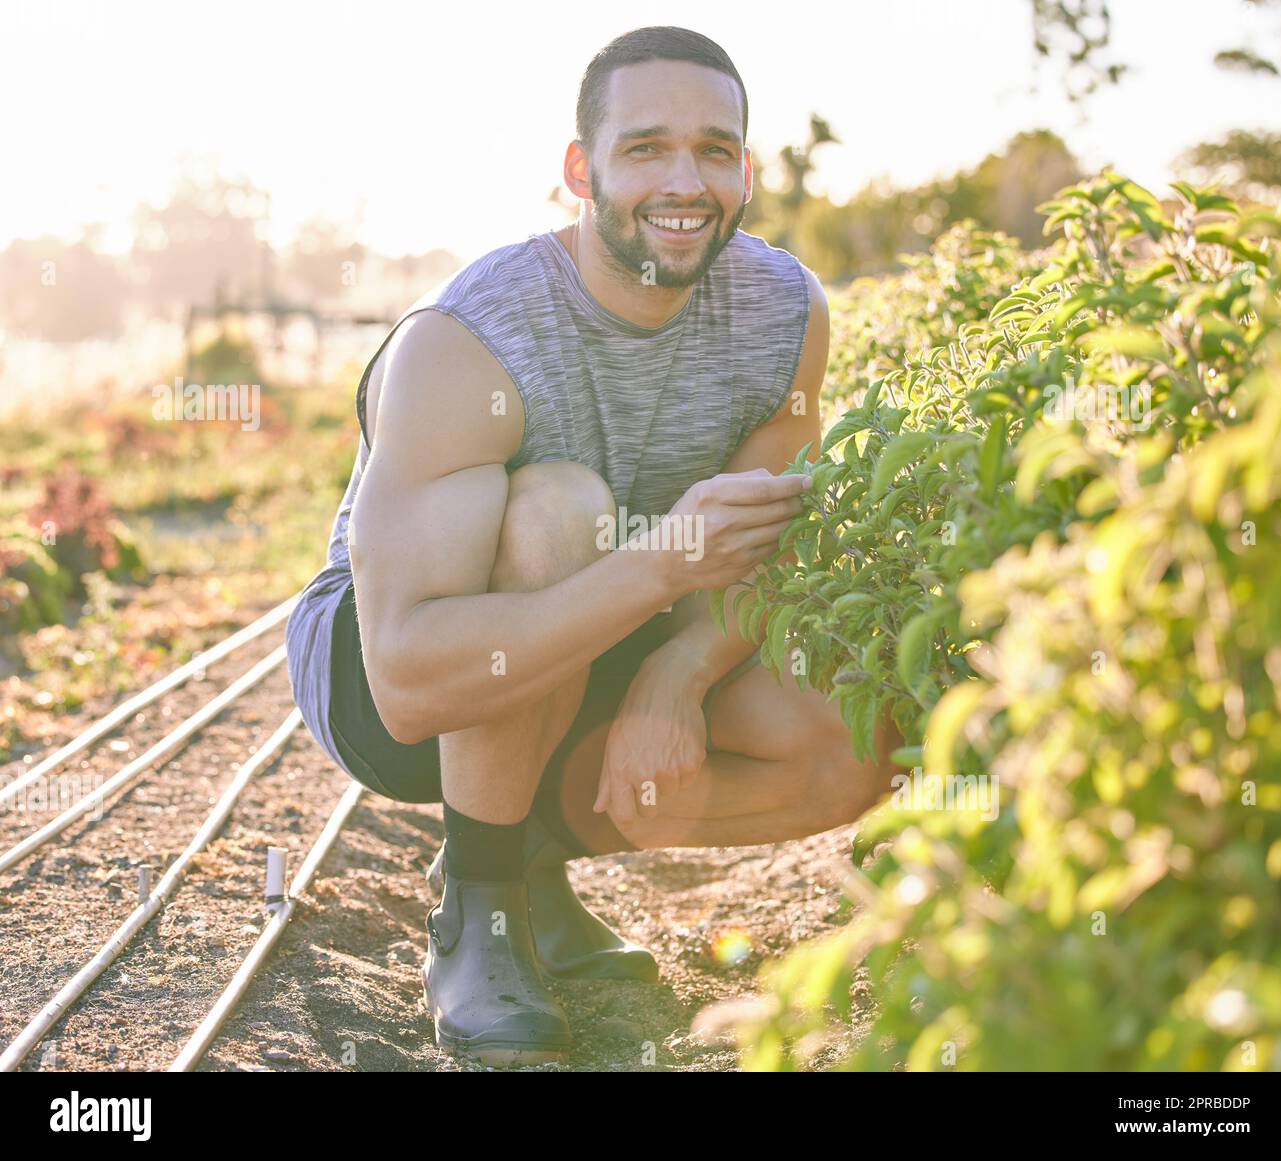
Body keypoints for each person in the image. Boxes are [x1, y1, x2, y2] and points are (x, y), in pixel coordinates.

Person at [285, 24, 902, 1068]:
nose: (685, 180)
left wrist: (675, 671)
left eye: (715, 150)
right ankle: (477, 909)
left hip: (617, 625)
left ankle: (525, 861)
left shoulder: (782, 311)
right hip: (390, 662)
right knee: (560, 510)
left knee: (849, 744)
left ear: (746, 170)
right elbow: (410, 684)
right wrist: (659, 566)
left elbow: (754, 534)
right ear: (581, 170)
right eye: (647, 147)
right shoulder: (470, 336)